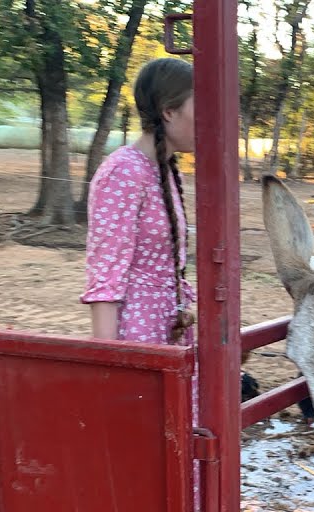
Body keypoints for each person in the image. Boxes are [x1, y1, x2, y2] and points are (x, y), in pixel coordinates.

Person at [81, 57, 196, 345]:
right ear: (169, 111)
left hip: (169, 326)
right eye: (200, 106)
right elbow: (106, 272)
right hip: (138, 332)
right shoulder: (124, 171)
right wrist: (111, 364)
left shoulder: (162, 168)